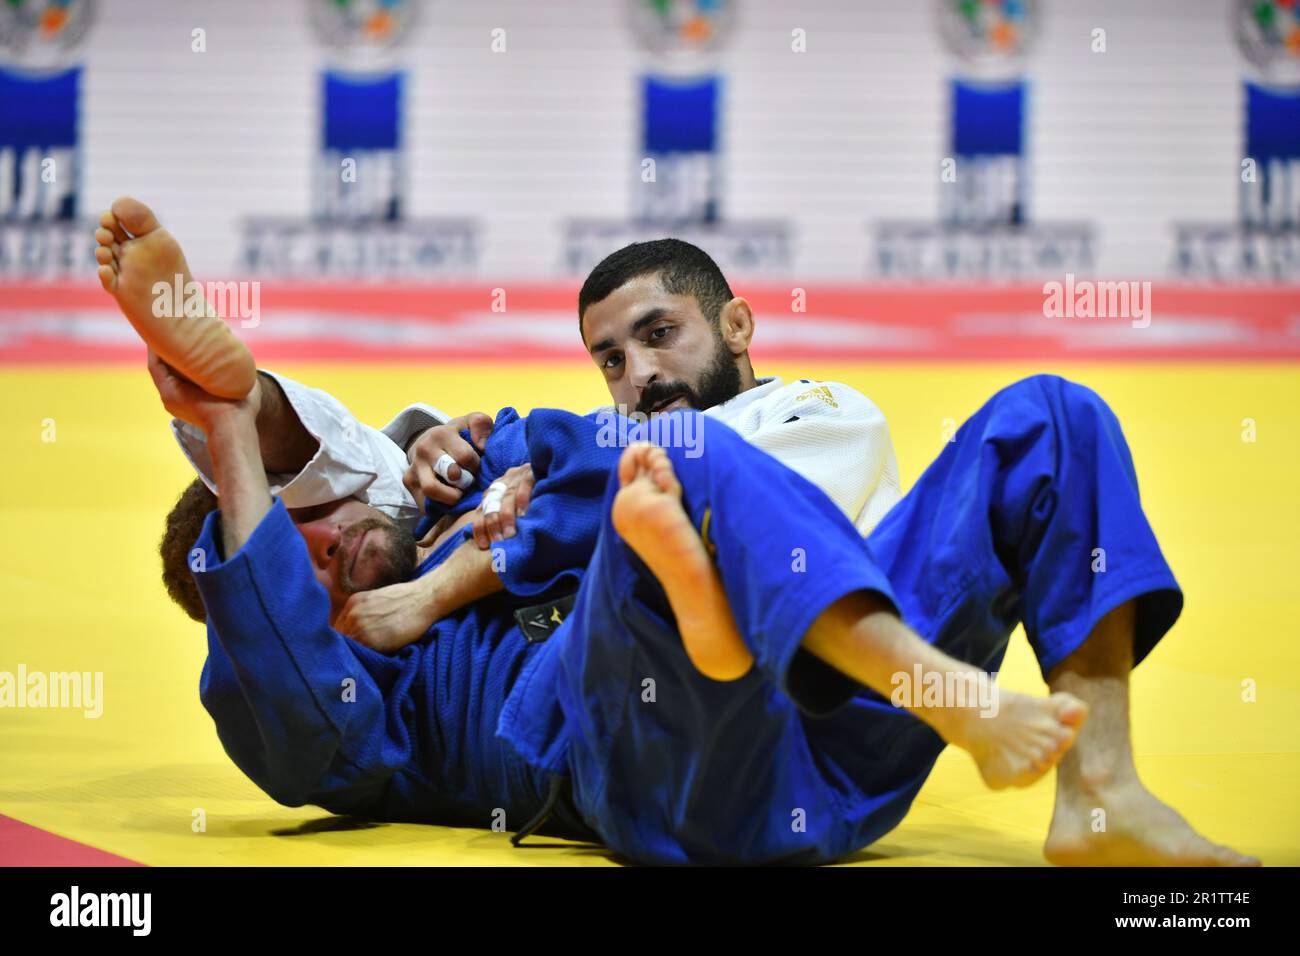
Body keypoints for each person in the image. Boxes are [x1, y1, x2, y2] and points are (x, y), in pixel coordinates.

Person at [98, 198, 1257, 866]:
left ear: (734, 322)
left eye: (657, 337)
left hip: (840, 733)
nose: (635, 374)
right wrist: (234, 447)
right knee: (666, 474)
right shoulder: (368, 700)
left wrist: (462, 554)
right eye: (613, 357)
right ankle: (706, 632)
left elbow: (350, 457)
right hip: (662, 779)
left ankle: (1098, 787)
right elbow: (296, 720)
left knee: (1050, 416)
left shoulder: (467, 486)